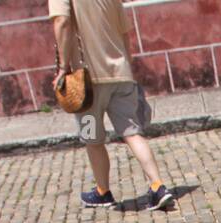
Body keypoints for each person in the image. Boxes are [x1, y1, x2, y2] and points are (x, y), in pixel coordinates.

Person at [49, 0, 175, 210]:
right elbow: (125, 32)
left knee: (92, 138)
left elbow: (62, 21)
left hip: (86, 86)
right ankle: (157, 185)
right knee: (132, 133)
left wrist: (63, 67)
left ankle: (102, 192)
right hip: (120, 75)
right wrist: (127, 67)